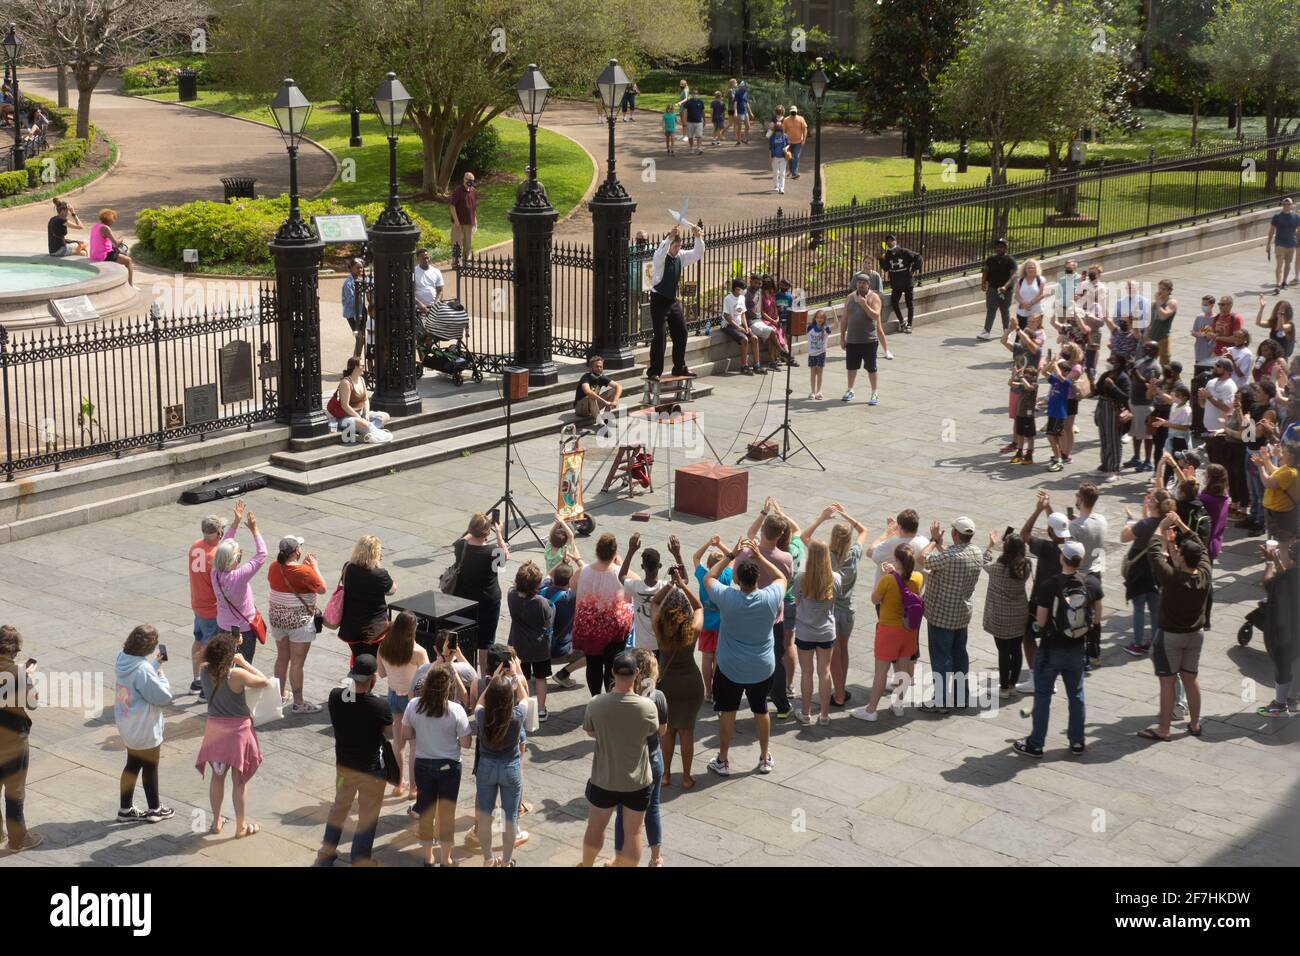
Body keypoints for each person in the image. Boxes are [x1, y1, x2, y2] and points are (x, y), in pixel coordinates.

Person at [1013, 541, 1102, 758]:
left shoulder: (1050, 585)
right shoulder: (1091, 583)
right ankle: (1077, 742)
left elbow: (1042, 621)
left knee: (1043, 696)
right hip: (1076, 648)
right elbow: (1098, 618)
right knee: (1076, 695)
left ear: (1062, 558)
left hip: (1051, 648)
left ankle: (1036, 743)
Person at [705, 540, 786, 776]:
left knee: (728, 711)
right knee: (761, 710)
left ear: (737, 579)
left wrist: (730, 554)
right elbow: (781, 577)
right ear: (757, 578)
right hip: (761, 666)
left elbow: (709, 577)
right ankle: (764, 757)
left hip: (730, 666)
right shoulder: (771, 597)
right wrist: (760, 557)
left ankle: (722, 759)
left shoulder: (727, 597)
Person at [578, 649, 661, 867]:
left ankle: (586, 864)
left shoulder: (596, 704)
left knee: (596, 826)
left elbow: (591, 732)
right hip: (637, 781)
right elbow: (654, 732)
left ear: (612, 673)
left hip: (604, 778)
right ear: (637, 673)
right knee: (634, 832)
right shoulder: (647, 707)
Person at [315, 654, 392, 866]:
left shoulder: (335, 696)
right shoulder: (379, 706)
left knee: (339, 807)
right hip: (371, 771)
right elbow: (390, 732)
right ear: (373, 678)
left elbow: (344, 695)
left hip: (344, 769)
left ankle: (326, 854)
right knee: (368, 814)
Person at [1137, 522, 1210, 741]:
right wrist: (1180, 525)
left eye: (1179, 552)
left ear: (1183, 558)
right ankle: (1195, 723)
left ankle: (1164, 729)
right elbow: (1202, 547)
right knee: (1190, 678)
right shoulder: (1205, 573)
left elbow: (1152, 552)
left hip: (1170, 637)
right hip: (1195, 635)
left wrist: (1160, 528)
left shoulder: (1172, 578)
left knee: (1167, 682)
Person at [195, 632, 267, 838]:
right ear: (229, 655)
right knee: (239, 781)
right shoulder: (236, 675)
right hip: (238, 734)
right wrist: (243, 661)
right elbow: (263, 681)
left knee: (217, 778)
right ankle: (240, 826)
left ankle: (216, 821)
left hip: (215, 731)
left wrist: (232, 646)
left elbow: (217, 660)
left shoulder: (204, 670)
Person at [403, 661, 470, 866]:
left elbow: (406, 734)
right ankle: (446, 858)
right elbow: (466, 744)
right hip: (449, 767)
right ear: (448, 687)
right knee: (447, 813)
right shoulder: (456, 710)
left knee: (427, 812)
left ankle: (428, 857)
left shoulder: (414, 705)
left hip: (423, 765)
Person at [734, 508, 795, 720]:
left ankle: (751, 695)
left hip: (749, 614)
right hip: (774, 616)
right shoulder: (786, 557)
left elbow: (735, 578)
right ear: (780, 535)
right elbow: (786, 583)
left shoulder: (745, 553)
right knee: (776, 659)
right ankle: (781, 704)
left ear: (762, 530)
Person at [851, 542, 924, 721]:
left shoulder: (887, 580)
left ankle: (871, 710)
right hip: (909, 630)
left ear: (896, 560)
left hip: (888, 630)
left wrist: (887, 574)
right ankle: (898, 704)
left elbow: (875, 599)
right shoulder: (917, 577)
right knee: (903, 668)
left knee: (881, 671)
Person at [804, 504, 867, 708]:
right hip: (849, 610)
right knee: (844, 649)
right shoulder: (854, 554)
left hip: (831, 610)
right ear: (848, 540)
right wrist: (847, 516)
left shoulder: (826, 555)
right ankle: (841, 689)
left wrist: (822, 517)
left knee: (834, 654)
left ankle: (838, 694)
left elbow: (804, 537)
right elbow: (863, 530)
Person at [919, 517, 983, 712]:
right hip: (961, 613)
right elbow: (951, 557)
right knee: (959, 655)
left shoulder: (950, 557)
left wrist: (932, 540)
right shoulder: (976, 552)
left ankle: (940, 701)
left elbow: (921, 559)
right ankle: (960, 696)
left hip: (942, 614)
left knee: (941, 658)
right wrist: (940, 545)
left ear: (955, 533)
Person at [114, 624, 175, 823]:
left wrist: (154, 666)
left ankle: (125, 809)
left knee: (132, 764)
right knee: (150, 766)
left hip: (127, 723)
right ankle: (155, 810)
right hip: (145, 726)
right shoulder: (142, 669)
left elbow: (138, 678)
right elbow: (162, 696)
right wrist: (161, 674)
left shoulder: (122, 658)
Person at [652, 569, 704, 790]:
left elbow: (654, 602)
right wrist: (682, 586)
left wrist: (670, 585)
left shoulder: (660, 629)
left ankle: (664, 775)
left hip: (667, 686)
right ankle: (686, 777)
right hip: (690, 683)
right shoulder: (692, 630)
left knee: (668, 730)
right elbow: (699, 607)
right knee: (687, 731)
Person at [474, 666, 530, 866]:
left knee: (485, 816)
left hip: (487, 767)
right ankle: (506, 861)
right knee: (509, 818)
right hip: (510, 768)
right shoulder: (515, 717)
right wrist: (515, 679)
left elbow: (479, 703)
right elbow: (524, 700)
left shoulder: (482, 716)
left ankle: (488, 859)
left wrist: (492, 684)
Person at [267, 534, 326, 714]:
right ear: (297, 551)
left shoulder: (273, 566)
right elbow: (322, 588)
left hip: (277, 619)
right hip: (298, 622)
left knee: (282, 657)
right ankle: (298, 703)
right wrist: (314, 567)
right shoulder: (304, 572)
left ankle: (279, 694)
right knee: (297, 664)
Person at [572, 533, 635, 695]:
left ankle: (595, 697)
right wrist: (622, 564)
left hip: (589, 629)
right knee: (612, 665)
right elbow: (637, 584)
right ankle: (610, 695)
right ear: (614, 553)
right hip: (614, 630)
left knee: (593, 665)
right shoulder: (620, 572)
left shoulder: (583, 571)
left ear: (597, 551)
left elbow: (572, 585)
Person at [188, 507, 239, 700]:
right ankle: (205, 688)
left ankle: (196, 680)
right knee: (210, 648)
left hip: (197, 604)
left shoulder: (194, 547)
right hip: (211, 608)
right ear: (219, 533)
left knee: (198, 640)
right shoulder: (215, 557)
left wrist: (235, 523)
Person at [377, 610, 428, 796]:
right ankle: (414, 788)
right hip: (412, 700)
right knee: (414, 744)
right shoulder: (418, 652)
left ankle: (398, 784)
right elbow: (427, 679)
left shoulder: (384, 646)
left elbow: (381, 673)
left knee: (398, 742)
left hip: (392, 696)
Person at [647, 224, 706, 381]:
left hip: (672, 301)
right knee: (660, 336)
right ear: (670, 245)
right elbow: (660, 252)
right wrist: (669, 237)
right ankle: (654, 372)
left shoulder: (681, 256)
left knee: (681, 332)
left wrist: (698, 237)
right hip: (658, 300)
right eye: (675, 246)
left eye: (679, 246)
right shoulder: (660, 258)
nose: (677, 249)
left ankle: (679, 367)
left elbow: (697, 254)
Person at [791, 539, 840, 725]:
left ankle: (805, 712)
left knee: (806, 673)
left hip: (805, 631)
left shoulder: (801, 579)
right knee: (824, 672)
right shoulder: (836, 578)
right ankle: (825, 715)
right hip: (826, 631)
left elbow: (796, 601)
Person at [0, 626, 41, 850]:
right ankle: (18, 839)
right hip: (13, 742)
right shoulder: (17, 673)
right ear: (14, 650)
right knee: (14, 793)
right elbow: (32, 703)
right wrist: (27, 678)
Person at [451, 513, 507, 672]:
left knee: (465, 638)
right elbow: (503, 564)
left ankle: (465, 673)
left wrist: (476, 527)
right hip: (488, 602)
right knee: (486, 642)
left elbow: (465, 537)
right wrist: (498, 534)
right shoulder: (494, 551)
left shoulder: (460, 546)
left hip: (464, 600)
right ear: (487, 532)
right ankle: (483, 675)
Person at [211, 505, 266, 662]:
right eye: (238, 554)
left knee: (223, 663)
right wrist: (254, 530)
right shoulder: (239, 576)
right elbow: (262, 554)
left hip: (222, 626)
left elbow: (223, 546)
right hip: (243, 630)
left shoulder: (214, 572)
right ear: (234, 560)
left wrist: (235, 523)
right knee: (243, 667)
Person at [981, 532, 1031, 699]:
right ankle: (1012, 685)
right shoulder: (1026, 566)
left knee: (1003, 651)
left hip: (1000, 617)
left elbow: (983, 561)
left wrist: (990, 545)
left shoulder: (997, 569)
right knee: (1016, 650)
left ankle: (1003, 688)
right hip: (1019, 614)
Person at [336, 535, 396, 668]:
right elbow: (392, 590)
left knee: (357, 658)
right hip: (375, 628)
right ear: (376, 554)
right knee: (370, 663)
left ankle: (356, 683)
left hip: (351, 626)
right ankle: (364, 685)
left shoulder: (348, 567)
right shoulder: (380, 574)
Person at [507, 561, 556, 720]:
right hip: (539, 646)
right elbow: (549, 622)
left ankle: (523, 705)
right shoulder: (541, 602)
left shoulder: (511, 595)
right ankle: (541, 710)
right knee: (541, 678)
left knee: (522, 677)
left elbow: (514, 587)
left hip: (518, 643)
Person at [1257, 539, 1298, 716]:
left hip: (1286, 631)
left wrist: (1268, 563)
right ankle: (1292, 700)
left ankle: (1280, 704)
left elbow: (1267, 583)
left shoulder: (1284, 578)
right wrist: (1276, 561)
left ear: (1292, 555)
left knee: (1283, 667)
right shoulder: (1288, 576)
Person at [692, 536, 732, 701]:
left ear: (708, 565)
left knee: (707, 658)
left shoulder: (703, 575)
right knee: (718, 659)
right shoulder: (727, 575)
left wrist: (708, 542)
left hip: (706, 624)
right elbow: (731, 555)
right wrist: (720, 544)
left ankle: (708, 692)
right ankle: (716, 690)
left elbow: (695, 557)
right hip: (722, 624)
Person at [840, 271, 887, 405]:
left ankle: (874, 392)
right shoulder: (850, 297)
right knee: (851, 367)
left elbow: (875, 316)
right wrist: (842, 337)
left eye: (864, 283)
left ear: (868, 285)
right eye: (859, 283)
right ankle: (850, 390)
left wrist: (865, 305)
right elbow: (844, 318)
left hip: (869, 340)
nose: (861, 285)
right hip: (853, 339)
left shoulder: (874, 298)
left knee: (871, 368)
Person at [619, 533, 665, 655]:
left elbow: (621, 575)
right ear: (660, 566)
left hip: (642, 644)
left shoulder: (635, 586)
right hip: (661, 643)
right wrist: (677, 554)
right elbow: (684, 580)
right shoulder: (665, 587)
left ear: (642, 566)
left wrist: (631, 551)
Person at [327, 357, 392, 443]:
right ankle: (374, 433)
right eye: (362, 366)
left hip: (361, 414)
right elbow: (345, 405)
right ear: (355, 367)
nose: (364, 368)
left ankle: (364, 433)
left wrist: (366, 413)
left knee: (385, 416)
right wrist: (358, 417)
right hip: (344, 417)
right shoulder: (346, 383)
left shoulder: (361, 379)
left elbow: (365, 400)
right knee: (360, 422)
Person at [1125, 341, 1163, 472]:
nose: (1145, 350)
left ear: (1156, 351)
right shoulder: (1141, 361)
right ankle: (1136, 457)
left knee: (1147, 435)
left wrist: (1134, 370)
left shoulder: (1155, 367)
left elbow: (1147, 384)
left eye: (1149, 348)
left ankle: (1148, 461)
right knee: (1135, 432)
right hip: (1135, 401)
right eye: (1145, 347)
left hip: (1145, 405)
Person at [1094, 352, 1132, 482]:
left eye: (1112, 360)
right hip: (1102, 407)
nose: (1109, 361)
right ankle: (1105, 466)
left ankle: (1115, 469)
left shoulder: (1123, 378)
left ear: (1119, 364)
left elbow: (1126, 397)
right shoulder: (1106, 375)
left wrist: (1113, 387)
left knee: (1114, 440)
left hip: (1114, 410)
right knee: (1104, 437)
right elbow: (1097, 390)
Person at [1258, 441, 1299, 546]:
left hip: (1280, 512)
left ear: (1292, 456)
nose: (1282, 455)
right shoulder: (1289, 468)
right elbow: (1275, 472)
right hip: (1277, 510)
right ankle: (1274, 555)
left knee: (1282, 545)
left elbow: (1268, 483)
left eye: (1284, 452)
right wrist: (1266, 459)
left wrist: (1260, 467)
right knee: (1275, 538)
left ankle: (1277, 558)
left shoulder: (1289, 472)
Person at [880, 234, 922, 333]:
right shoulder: (888, 254)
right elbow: (886, 268)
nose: (890, 242)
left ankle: (910, 325)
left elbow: (918, 257)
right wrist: (880, 260)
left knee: (909, 304)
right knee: (894, 302)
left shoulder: (904, 252)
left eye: (891, 240)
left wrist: (914, 269)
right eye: (888, 241)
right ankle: (902, 322)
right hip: (896, 284)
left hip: (907, 283)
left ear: (895, 241)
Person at [978, 238, 1017, 339]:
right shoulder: (990, 259)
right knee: (991, 309)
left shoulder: (1010, 260)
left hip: (1006, 290)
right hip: (993, 288)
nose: (999, 249)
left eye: (1001, 247)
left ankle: (1006, 330)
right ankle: (986, 331)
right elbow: (986, 271)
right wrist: (983, 283)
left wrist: (1005, 286)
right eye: (997, 247)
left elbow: (1013, 276)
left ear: (1006, 248)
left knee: (1004, 310)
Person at [721, 277, 761, 374]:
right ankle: (744, 366)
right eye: (741, 289)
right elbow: (727, 316)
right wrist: (738, 328)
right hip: (729, 325)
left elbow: (743, 314)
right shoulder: (728, 299)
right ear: (736, 288)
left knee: (754, 338)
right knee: (744, 340)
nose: (743, 291)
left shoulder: (742, 298)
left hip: (740, 325)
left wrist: (746, 327)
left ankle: (757, 365)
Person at [88, 208, 135, 287]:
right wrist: (121, 240)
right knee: (128, 261)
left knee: (118, 255)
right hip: (103, 255)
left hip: (94, 254)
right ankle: (131, 285)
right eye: (113, 219)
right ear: (109, 219)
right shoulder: (105, 228)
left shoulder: (95, 226)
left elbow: (102, 240)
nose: (114, 221)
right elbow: (116, 243)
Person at [574, 353, 622, 421]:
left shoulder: (602, 377)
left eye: (601, 367)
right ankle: (600, 422)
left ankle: (606, 418)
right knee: (591, 395)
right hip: (581, 409)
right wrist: (605, 402)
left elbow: (618, 386)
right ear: (591, 368)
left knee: (614, 391)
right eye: (597, 366)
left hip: (593, 406)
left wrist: (615, 401)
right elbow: (588, 392)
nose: (599, 368)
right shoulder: (586, 377)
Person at [1266, 196, 1300, 290]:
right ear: (1282, 205)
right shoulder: (1277, 217)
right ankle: (1278, 284)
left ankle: (1284, 281)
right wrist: (1268, 243)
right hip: (1279, 244)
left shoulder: (1297, 217)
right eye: (1285, 204)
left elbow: (1299, 230)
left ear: (1292, 205)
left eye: (1288, 204)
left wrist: (1296, 240)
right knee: (1279, 264)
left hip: (1291, 244)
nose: (1286, 206)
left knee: (1288, 264)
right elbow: (1271, 230)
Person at [340, 258, 370, 357]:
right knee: (359, 338)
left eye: (361, 268)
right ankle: (355, 362)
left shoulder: (361, 280)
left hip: (362, 312)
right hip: (352, 315)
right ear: (351, 268)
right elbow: (349, 303)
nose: (360, 270)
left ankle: (355, 360)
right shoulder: (348, 283)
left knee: (362, 338)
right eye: (357, 268)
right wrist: (360, 291)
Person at [448, 173, 478, 256]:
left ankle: (466, 262)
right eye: (466, 179)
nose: (467, 181)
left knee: (468, 245)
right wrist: (456, 221)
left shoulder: (474, 191)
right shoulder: (458, 190)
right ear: (464, 179)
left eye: (470, 180)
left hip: (470, 223)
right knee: (457, 244)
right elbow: (452, 206)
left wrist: (475, 220)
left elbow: (473, 208)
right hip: (459, 224)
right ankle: (455, 263)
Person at [1150, 279, 1178, 365]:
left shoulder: (1171, 302)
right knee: (1149, 361)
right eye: (1159, 288)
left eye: (1163, 289)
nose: (1160, 291)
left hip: (1163, 337)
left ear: (1170, 290)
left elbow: (1163, 316)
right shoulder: (1155, 302)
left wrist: (1158, 303)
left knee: (1165, 363)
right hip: (1152, 335)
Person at [806, 307, 830, 398]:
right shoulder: (810, 328)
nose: (819, 319)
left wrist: (835, 314)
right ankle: (812, 392)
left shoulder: (825, 328)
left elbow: (836, 326)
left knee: (819, 373)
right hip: (812, 354)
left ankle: (819, 391)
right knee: (813, 373)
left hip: (821, 353)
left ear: (824, 319)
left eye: (821, 318)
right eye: (818, 317)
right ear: (815, 318)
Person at [782, 105, 808, 177]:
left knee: (796, 156)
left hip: (798, 141)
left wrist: (804, 139)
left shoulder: (801, 119)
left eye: (794, 112)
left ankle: (794, 173)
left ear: (796, 112)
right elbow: (783, 131)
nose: (793, 113)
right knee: (789, 157)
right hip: (789, 142)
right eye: (792, 112)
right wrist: (784, 141)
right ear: (790, 112)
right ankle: (791, 171)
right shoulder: (786, 120)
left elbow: (805, 129)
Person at [678, 89, 706, 154]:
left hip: (699, 122)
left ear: (698, 95)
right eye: (694, 93)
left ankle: (699, 147)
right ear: (692, 94)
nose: (695, 95)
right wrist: (684, 121)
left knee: (699, 136)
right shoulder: (689, 102)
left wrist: (704, 120)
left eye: (696, 93)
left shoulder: (701, 102)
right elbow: (685, 111)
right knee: (690, 136)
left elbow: (702, 111)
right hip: (690, 122)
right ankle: (691, 148)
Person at [768, 121, 790, 194]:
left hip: (783, 157)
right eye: (777, 131)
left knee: (782, 173)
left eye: (780, 131)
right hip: (775, 157)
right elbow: (770, 148)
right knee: (775, 173)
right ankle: (776, 186)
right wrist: (770, 157)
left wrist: (786, 148)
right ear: (775, 130)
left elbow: (789, 144)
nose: (778, 133)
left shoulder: (785, 136)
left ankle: (781, 188)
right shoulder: (772, 137)